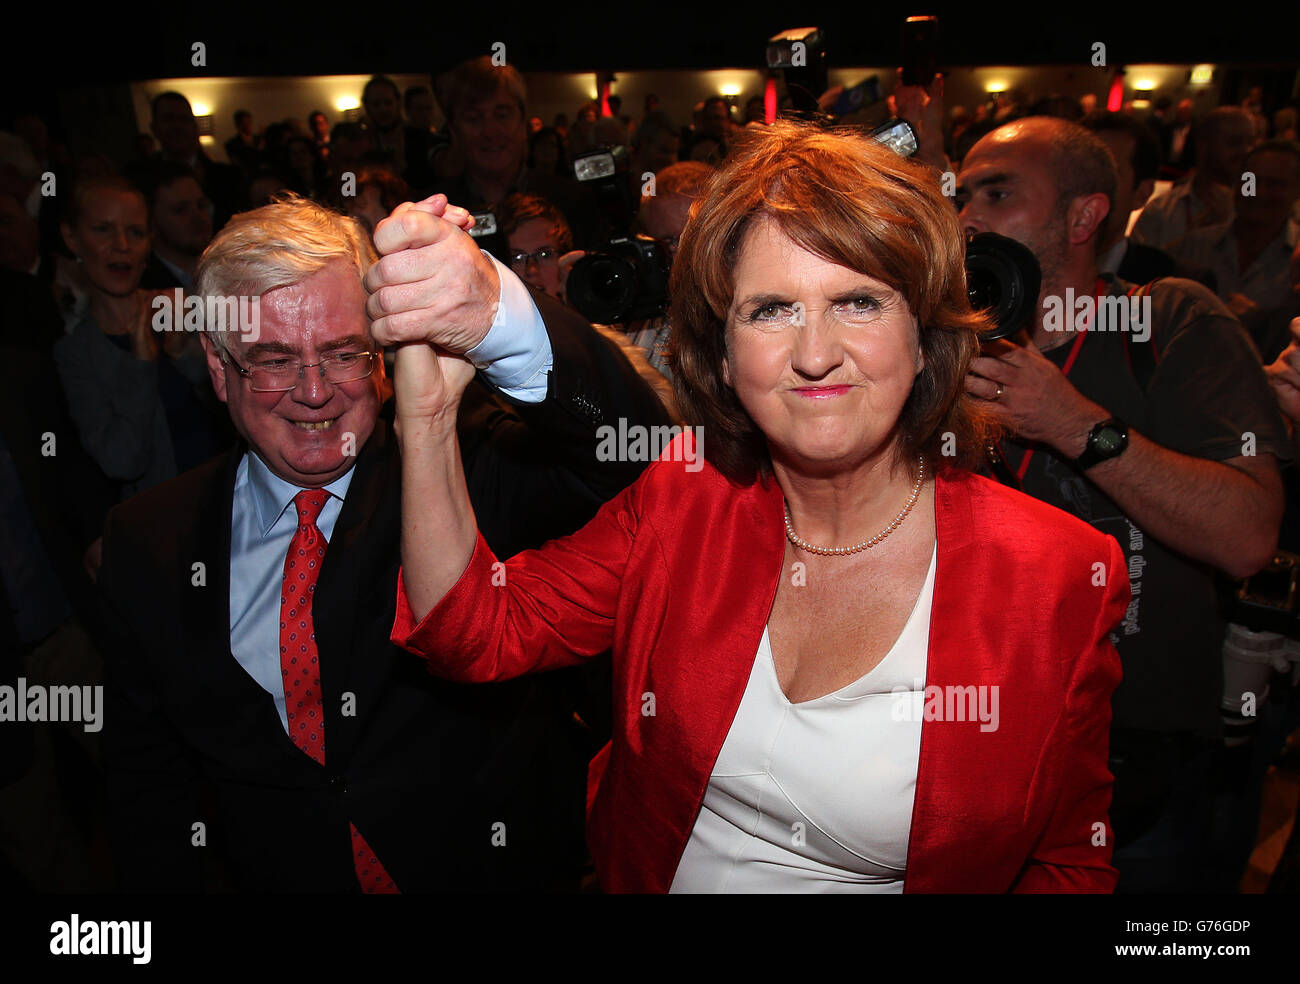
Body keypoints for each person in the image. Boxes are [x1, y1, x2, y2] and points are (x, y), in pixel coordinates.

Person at [382, 120, 1130, 893]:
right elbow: (475, 633)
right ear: (724, 353)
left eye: (859, 302)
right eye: (770, 309)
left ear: (925, 331)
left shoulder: (1061, 575)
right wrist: (428, 423)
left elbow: (1070, 862)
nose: (813, 353)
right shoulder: (685, 497)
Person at [96, 192, 671, 892]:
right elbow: (147, 782)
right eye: (273, 360)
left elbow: (642, 461)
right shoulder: (146, 541)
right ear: (218, 368)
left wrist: (497, 314)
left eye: (343, 353)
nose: (315, 393)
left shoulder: (466, 466)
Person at [956, 116, 1289, 892]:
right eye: (963, 194)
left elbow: (1247, 535)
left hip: (1133, 747)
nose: (970, 215)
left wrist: (1073, 423)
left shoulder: (1171, 320)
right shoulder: (943, 341)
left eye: (1000, 193)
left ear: (1084, 216)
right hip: (981, 739)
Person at [1131, 107, 1254, 251]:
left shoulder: (1259, 203)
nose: (1246, 151)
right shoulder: (1161, 211)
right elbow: (1138, 268)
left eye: (1250, 143)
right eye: (1234, 142)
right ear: (1203, 146)